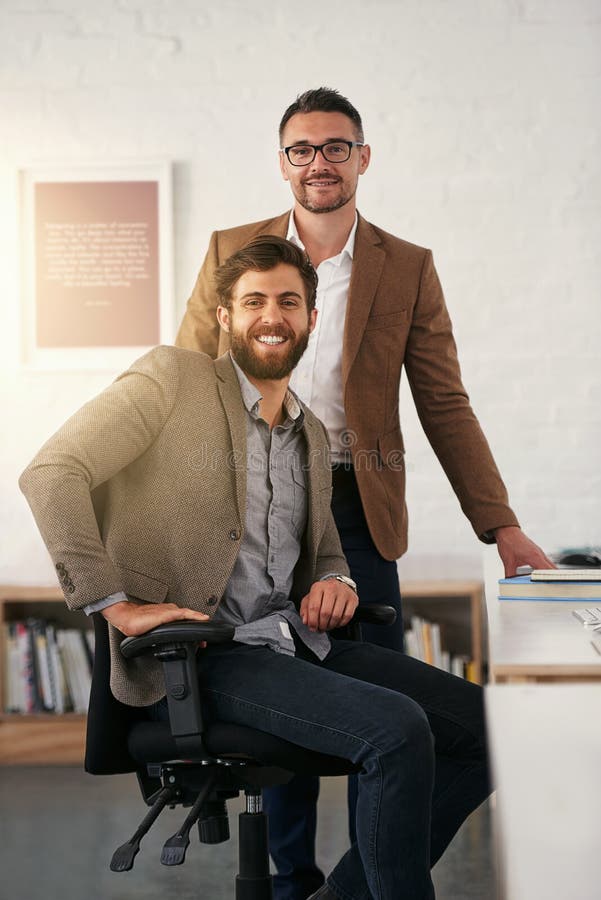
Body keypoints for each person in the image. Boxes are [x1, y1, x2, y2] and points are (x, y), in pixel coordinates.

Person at [20, 236, 490, 900]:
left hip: (293, 642)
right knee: (396, 732)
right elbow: (52, 472)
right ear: (225, 317)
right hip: (202, 655)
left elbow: (323, 549)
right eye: (255, 301)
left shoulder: (311, 432)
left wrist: (336, 579)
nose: (273, 315)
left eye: (289, 302)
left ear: (310, 320)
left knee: (484, 730)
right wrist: (112, 603)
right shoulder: (171, 380)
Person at [174, 87, 554, 897]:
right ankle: (290, 881)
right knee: (283, 694)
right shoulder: (230, 248)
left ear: (362, 157)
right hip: (247, 504)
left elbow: (443, 402)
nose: (319, 162)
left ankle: (358, 884)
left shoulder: (406, 266)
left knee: (387, 714)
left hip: (355, 507)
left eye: (335, 147)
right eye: (302, 149)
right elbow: (184, 382)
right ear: (282, 163)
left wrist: (501, 526)